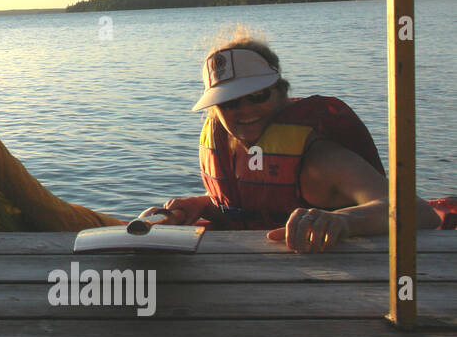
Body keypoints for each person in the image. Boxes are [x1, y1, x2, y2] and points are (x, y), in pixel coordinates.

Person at [148, 31, 456, 253]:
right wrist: (202, 204)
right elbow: (250, 208)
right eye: (229, 103)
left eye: (257, 95)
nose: (244, 110)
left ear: (281, 92)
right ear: (215, 110)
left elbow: (416, 211)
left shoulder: (320, 159)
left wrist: (342, 221)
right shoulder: (229, 145)